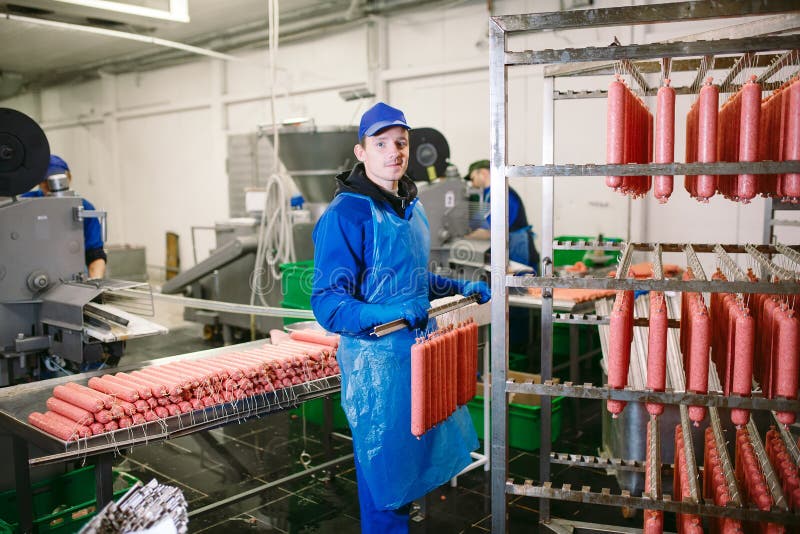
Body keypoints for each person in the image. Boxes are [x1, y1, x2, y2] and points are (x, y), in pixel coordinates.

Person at [311, 102, 490, 534]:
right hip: (377, 366)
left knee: (413, 463)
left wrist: (454, 286)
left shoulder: (411, 205)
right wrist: (391, 311)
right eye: (381, 143)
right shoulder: (346, 213)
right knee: (384, 474)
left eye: (401, 142)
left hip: (417, 353)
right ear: (361, 152)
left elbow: (407, 278)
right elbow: (328, 302)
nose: (394, 151)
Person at [22, 155, 106, 278]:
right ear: (38, 182)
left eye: (59, 180)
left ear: (69, 177)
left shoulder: (84, 207)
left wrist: (95, 284)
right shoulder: (24, 205)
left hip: (72, 276)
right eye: (47, 181)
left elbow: (94, 253)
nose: (53, 185)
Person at [465, 159, 540, 272]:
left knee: (523, 283)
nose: (472, 183)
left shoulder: (502, 193)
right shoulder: (489, 193)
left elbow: (490, 231)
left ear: (483, 173)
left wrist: (464, 238)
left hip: (518, 245)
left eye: (473, 178)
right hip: (510, 243)